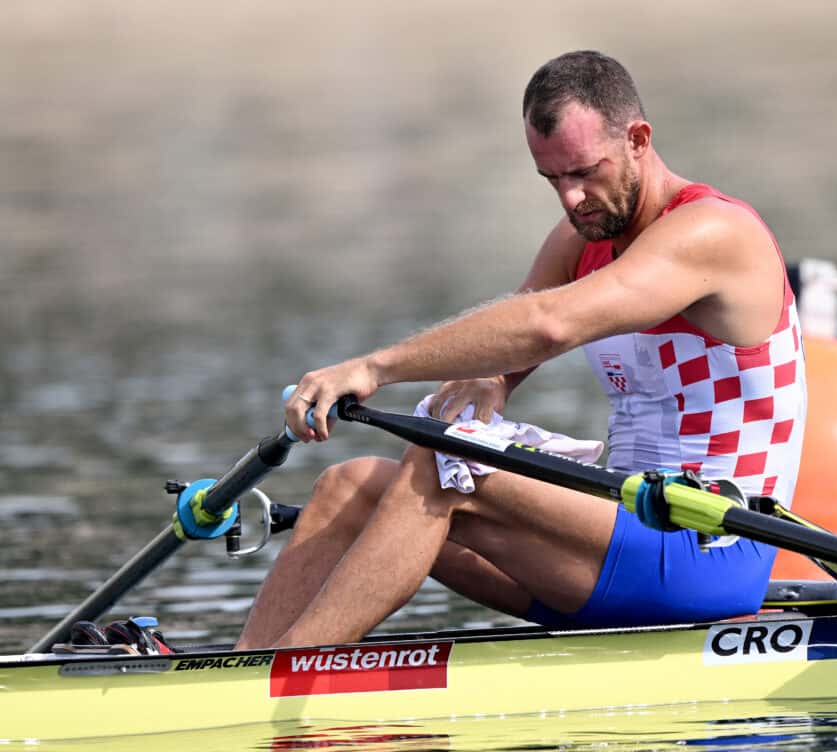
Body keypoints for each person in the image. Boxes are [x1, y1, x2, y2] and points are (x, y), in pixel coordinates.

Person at [235, 50, 806, 649]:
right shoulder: (584, 236)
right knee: (348, 486)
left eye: (584, 172)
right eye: (552, 179)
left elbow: (547, 325)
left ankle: (283, 676)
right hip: (624, 535)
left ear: (638, 139)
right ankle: (248, 665)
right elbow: (514, 336)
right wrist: (495, 378)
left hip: (711, 549)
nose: (571, 198)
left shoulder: (714, 232)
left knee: (442, 462)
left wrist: (374, 367)